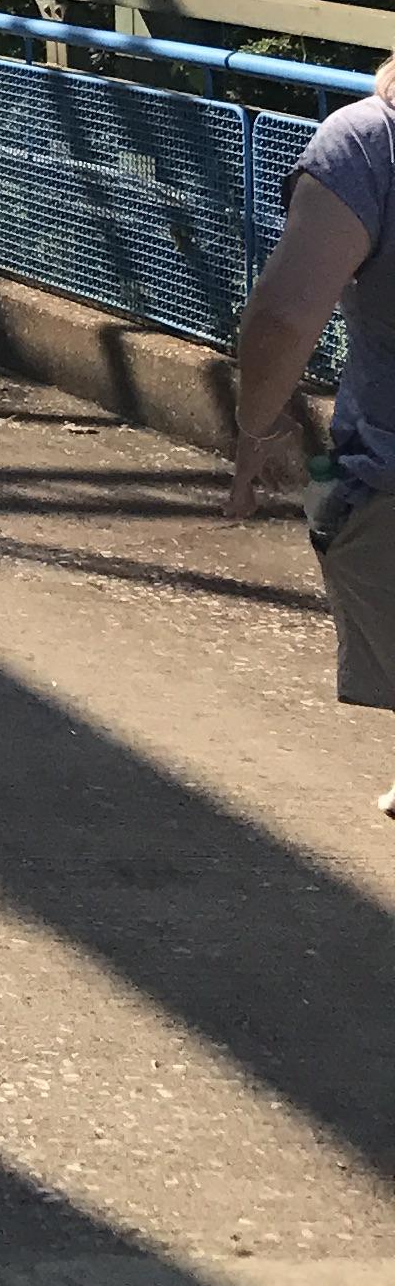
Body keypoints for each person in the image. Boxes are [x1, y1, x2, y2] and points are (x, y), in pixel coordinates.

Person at [229, 49, 395, 816]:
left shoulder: (368, 142)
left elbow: (283, 318)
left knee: (347, 508)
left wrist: (257, 431)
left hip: (385, 477)